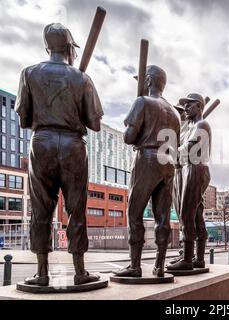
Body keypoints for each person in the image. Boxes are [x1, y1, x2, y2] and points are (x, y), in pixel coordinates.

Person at [15, 23, 104, 286]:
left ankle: (42, 273)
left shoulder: (29, 73)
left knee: (41, 208)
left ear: (47, 47)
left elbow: (23, 119)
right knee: (77, 208)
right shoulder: (82, 79)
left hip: (41, 142)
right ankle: (79, 272)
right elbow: (95, 124)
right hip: (73, 145)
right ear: (69, 49)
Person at [113, 65, 181, 278]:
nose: (140, 84)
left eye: (142, 81)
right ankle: (159, 266)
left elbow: (128, 138)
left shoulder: (142, 102)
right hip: (168, 161)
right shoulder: (175, 114)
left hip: (148, 157)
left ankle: (135, 266)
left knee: (134, 212)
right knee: (163, 216)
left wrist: (132, 123)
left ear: (150, 81)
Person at [167, 93, 211, 271]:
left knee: (186, 214)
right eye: (184, 105)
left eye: (189, 105)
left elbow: (190, 148)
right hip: (189, 168)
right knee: (196, 215)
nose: (185, 108)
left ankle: (187, 259)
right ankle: (198, 259)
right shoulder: (191, 126)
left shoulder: (202, 124)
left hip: (195, 168)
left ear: (199, 106)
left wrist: (169, 149)